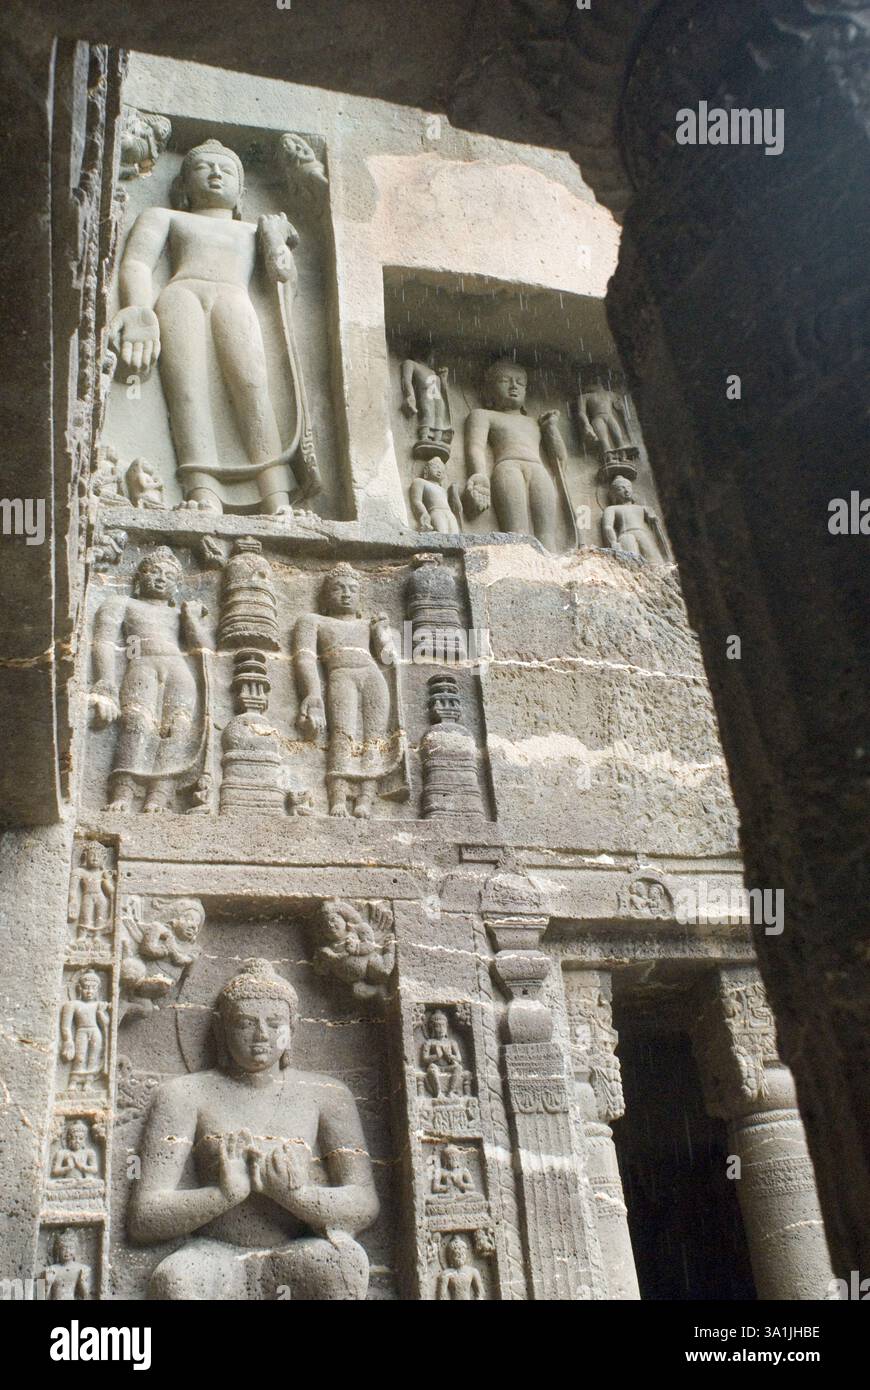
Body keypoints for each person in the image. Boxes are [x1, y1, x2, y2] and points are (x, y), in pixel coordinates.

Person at [128, 959, 379, 1300]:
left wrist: (295, 1195)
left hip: (294, 1254)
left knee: (345, 1262)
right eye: (246, 1023)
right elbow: (145, 1217)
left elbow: (363, 1203)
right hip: (213, 1257)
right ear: (221, 1029)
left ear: (293, 1028)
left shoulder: (327, 1096)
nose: (261, 1034)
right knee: (176, 1279)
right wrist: (223, 1195)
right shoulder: (184, 1095)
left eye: (274, 1023)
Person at [110, 139, 302, 514]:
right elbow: (135, 264)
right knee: (189, 392)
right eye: (203, 168)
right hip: (181, 297)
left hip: (233, 299)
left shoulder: (252, 230)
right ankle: (203, 494)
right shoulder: (165, 216)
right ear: (182, 186)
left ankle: (276, 497)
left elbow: (282, 276)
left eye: (226, 170)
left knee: (251, 386)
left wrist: (277, 238)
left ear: (241, 191)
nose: (216, 174)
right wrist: (138, 312)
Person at [89, 547, 210, 813]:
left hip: (179, 671)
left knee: (175, 730)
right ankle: (122, 793)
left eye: (169, 576)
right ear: (139, 577)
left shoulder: (178, 613)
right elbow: (104, 642)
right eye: (154, 571)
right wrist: (105, 683)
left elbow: (204, 650)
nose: (161, 578)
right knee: (136, 723)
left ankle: (159, 796)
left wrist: (191, 619)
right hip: (142, 664)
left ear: (177, 585)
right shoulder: (122, 603)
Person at [293, 564, 400, 818]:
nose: (346, 594)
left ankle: (365, 797)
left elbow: (389, 658)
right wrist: (313, 693)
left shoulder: (368, 624)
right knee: (343, 735)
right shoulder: (312, 621)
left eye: (352, 589)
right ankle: (338, 797)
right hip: (340, 675)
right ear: (325, 595)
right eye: (338, 588)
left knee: (373, 740)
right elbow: (304, 659)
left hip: (371, 676)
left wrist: (383, 633)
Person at [464, 360, 568, 552]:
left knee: (547, 534)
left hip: (539, 470)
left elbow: (560, 462)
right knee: (517, 531)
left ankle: (551, 570)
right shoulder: (482, 415)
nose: (514, 386)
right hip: (508, 468)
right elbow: (475, 447)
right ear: (489, 389)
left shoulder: (535, 423)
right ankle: (519, 565)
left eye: (520, 382)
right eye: (505, 380)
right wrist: (479, 476)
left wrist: (551, 428)